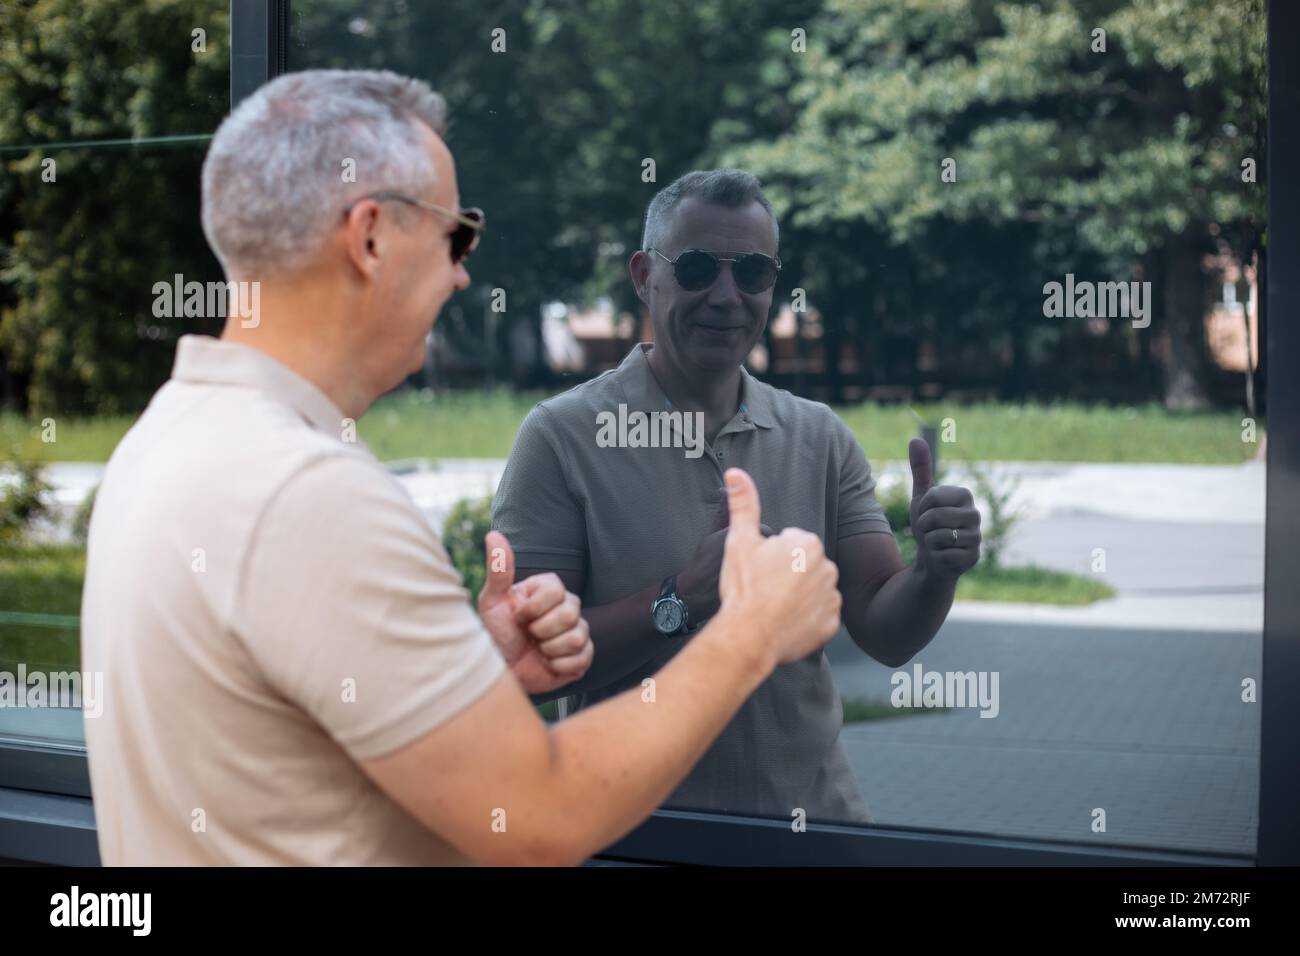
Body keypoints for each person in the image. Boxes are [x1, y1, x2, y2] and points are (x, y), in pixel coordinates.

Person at [80, 71, 843, 866]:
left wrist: (478, 674)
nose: (461, 274)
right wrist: (752, 629)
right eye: (456, 234)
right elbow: (540, 816)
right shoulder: (309, 495)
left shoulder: (165, 439)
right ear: (370, 236)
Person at [493, 169, 982, 822]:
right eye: (696, 268)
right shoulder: (562, 436)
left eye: (751, 273)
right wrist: (683, 598)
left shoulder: (820, 436)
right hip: (638, 836)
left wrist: (933, 571)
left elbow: (887, 633)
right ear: (644, 276)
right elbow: (530, 662)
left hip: (815, 827)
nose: (726, 295)